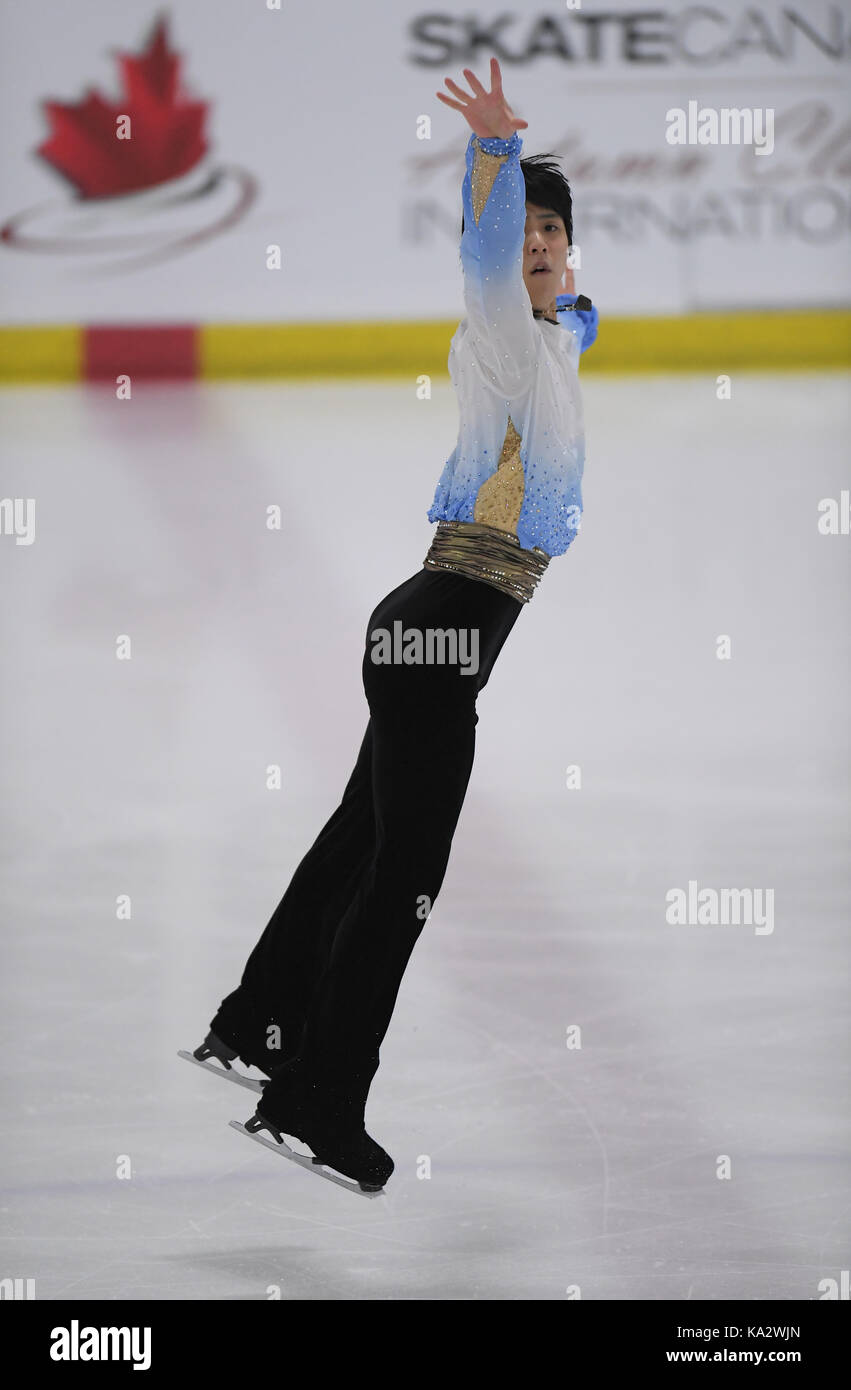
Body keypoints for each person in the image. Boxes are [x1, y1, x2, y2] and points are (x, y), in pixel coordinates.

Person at [189, 57, 599, 1192]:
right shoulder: (504, 337)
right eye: (523, 231)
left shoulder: (554, 333)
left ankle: (258, 1023)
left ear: (572, 247)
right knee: (405, 873)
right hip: (442, 631)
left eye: (550, 232)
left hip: (423, 625)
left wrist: (567, 295)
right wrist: (492, 163)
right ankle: (317, 1100)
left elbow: (566, 321)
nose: (533, 245)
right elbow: (486, 263)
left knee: (361, 838)